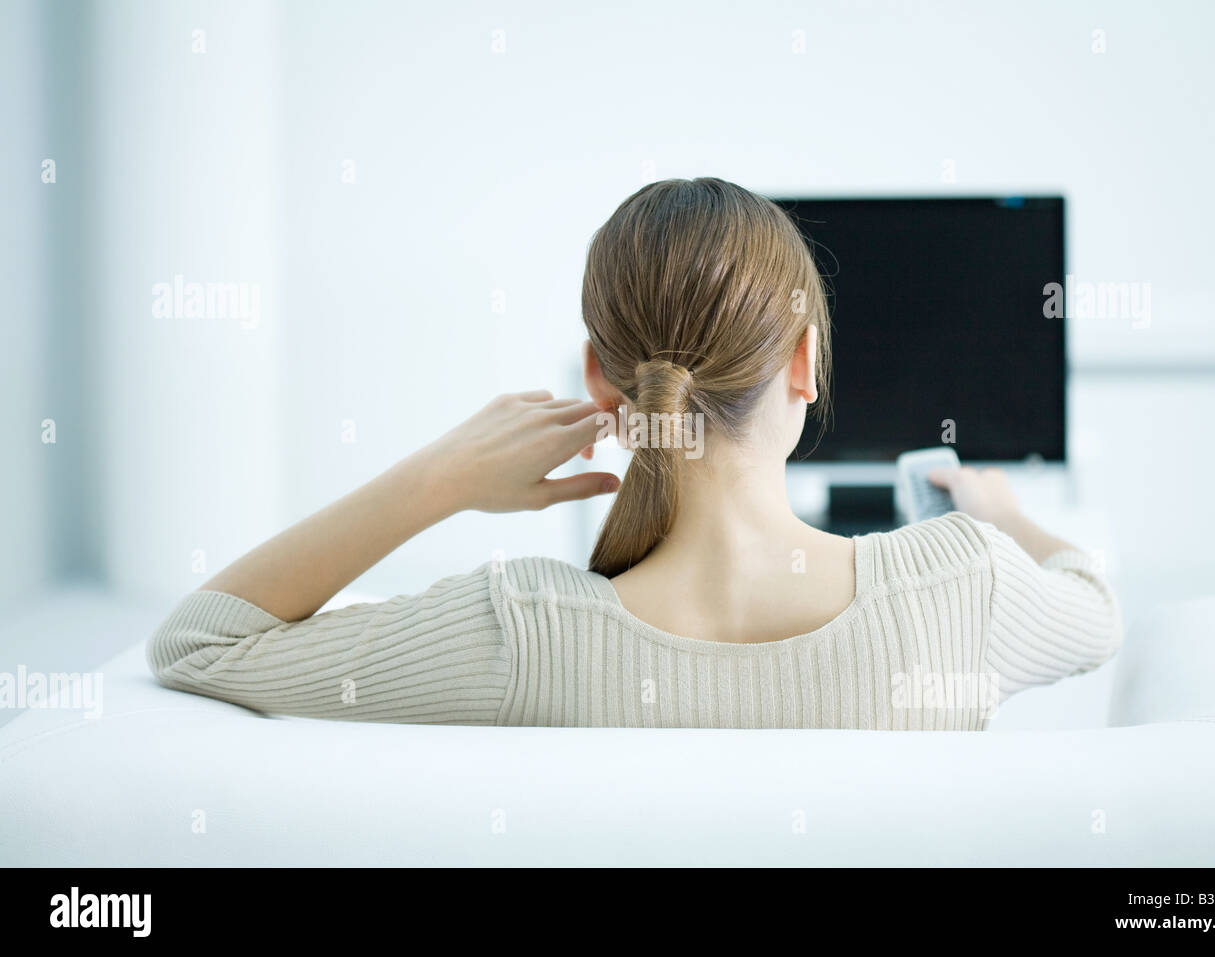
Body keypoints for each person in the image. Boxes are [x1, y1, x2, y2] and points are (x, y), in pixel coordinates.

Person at [147, 177, 1122, 730]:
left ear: (600, 381)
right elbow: (1096, 610)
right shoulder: (962, 585)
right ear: (804, 362)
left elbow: (201, 643)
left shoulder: (520, 629)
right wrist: (1002, 516)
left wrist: (437, 478)